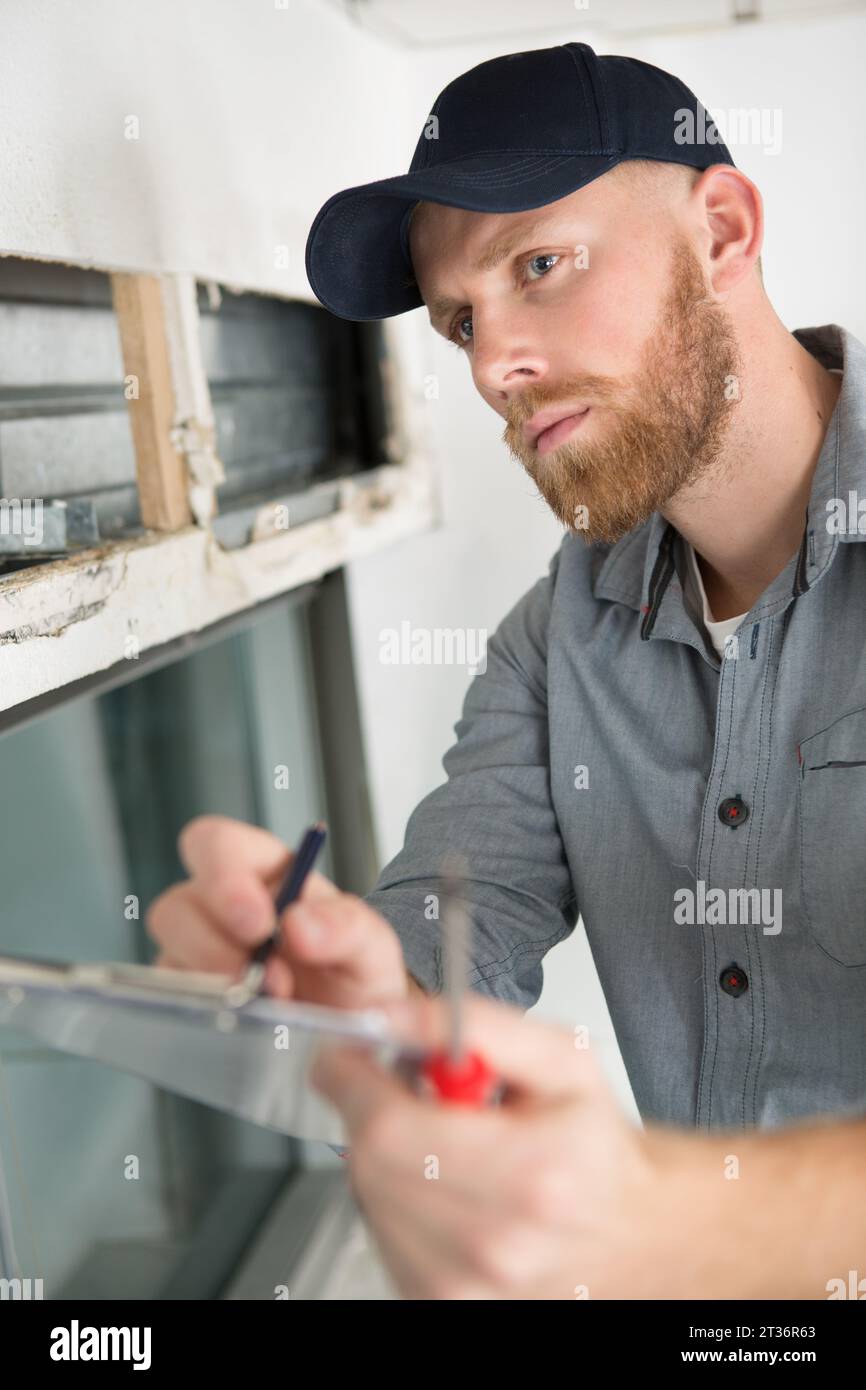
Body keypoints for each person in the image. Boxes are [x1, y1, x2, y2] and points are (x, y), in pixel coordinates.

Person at [148, 42, 866, 1298]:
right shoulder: (563, 630)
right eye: (462, 321)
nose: (490, 366)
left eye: (540, 265)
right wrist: (359, 988)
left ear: (723, 230)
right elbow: (451, 912)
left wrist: (672, 1225)